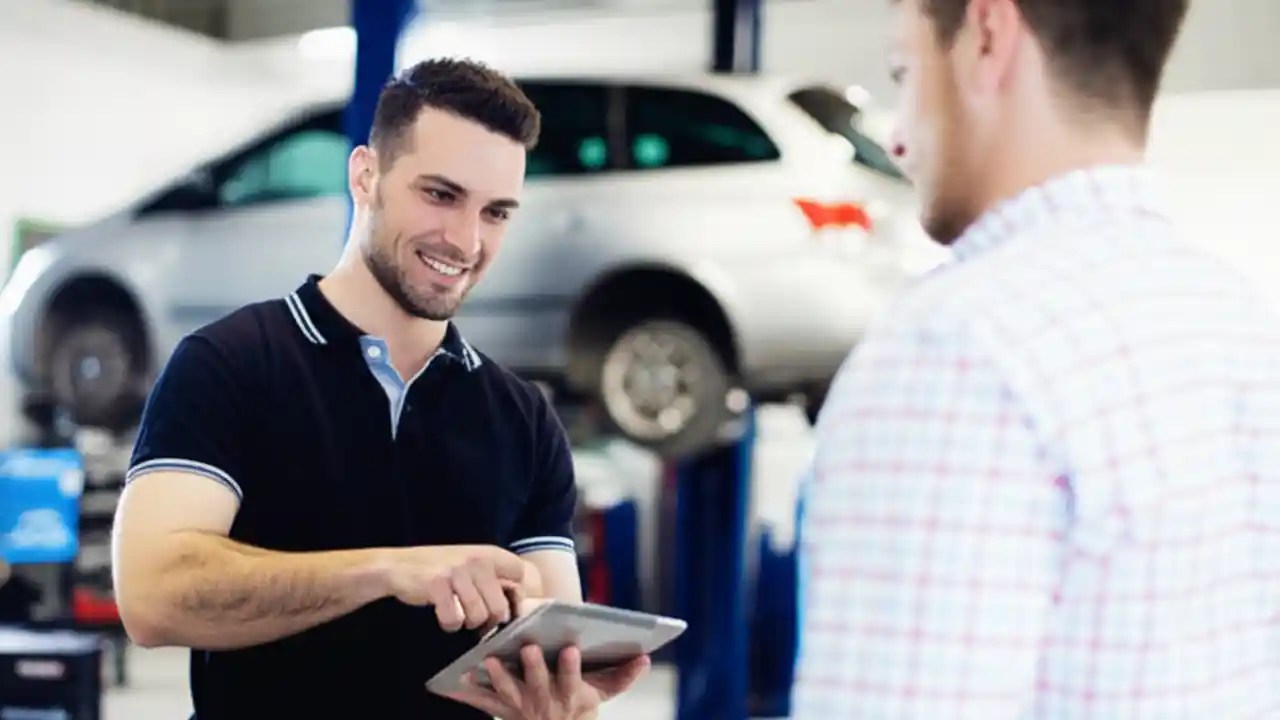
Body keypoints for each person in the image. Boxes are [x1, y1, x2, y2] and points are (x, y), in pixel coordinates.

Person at [111, 58, 649, 720]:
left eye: (497, 212)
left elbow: (559, 650)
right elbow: (151, 596)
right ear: (365, 175)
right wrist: (388, 572)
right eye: (441, 195)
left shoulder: (524, 420)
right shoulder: (229, 364)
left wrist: (559, 701)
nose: (467, 240)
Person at [793, 1, 1280, 718]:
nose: (895, 140)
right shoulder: (1237, 323)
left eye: (905, 72)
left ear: (987, 34)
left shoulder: (951, 354)